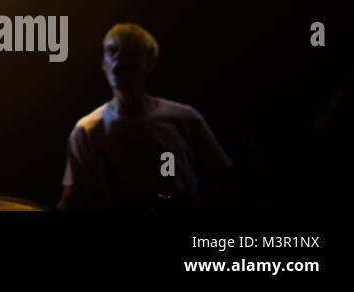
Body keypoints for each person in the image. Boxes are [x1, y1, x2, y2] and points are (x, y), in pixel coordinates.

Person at [57, 22, 232, 211]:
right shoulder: (88, 130)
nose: (118, 59)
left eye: (130, 51)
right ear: (103, 63)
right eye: (112, 50)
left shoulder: (185, 119)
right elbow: (72, 200)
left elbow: (223, 179)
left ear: (149, 62)